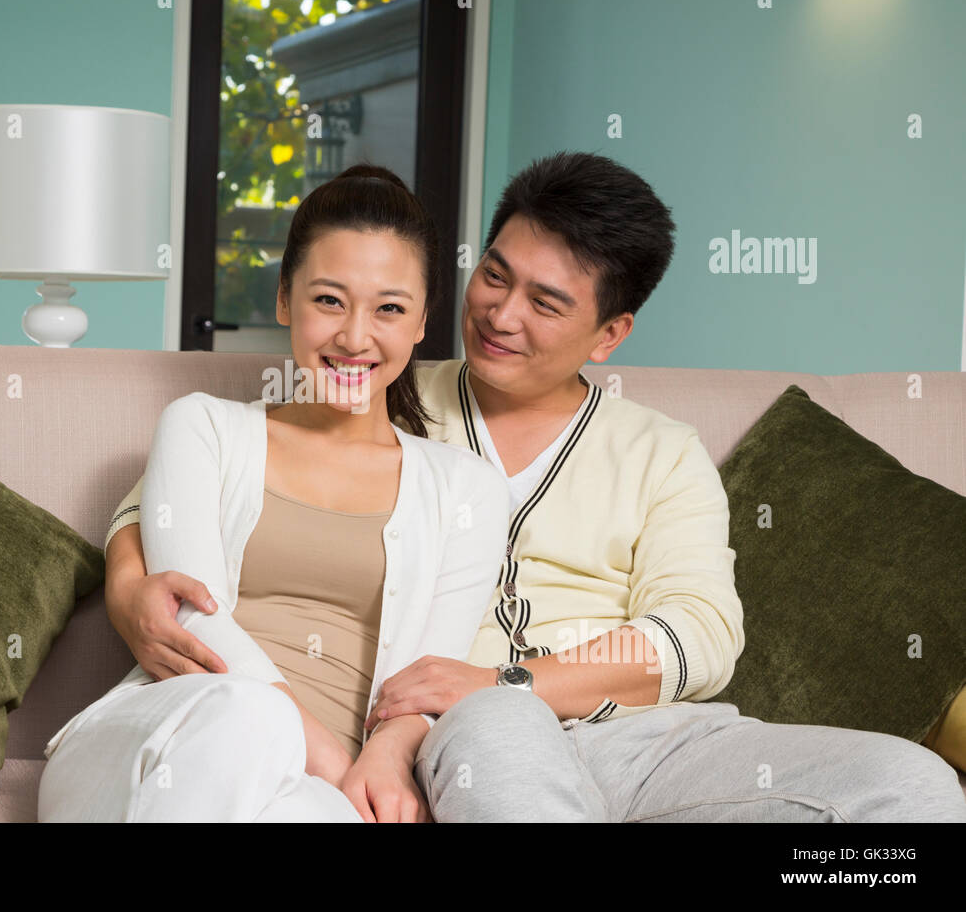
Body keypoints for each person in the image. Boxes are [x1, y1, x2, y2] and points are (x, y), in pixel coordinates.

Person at [102, 150, 966, 822]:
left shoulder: (661, 450)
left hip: (649, 745)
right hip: (472, 743)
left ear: (609, 334)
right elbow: (172, 498)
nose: (502, 315)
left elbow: (697, 634)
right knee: (501, 738)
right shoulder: (378, 384)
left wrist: (515, 681)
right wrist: (131, 588)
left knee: (912, 790)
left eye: (546, 304)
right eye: (494, 276)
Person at [37, 164, 508, 822]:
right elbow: (194, 617)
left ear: (423, 321)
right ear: (285, 299)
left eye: (389, 309)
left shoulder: (470, 489)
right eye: (328, 300)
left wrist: (386, 758)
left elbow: (431, 676)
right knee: (250, 714)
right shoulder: (203, 427)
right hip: (156, 744)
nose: (354, 336)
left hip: (310, 796)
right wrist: (331, 758)